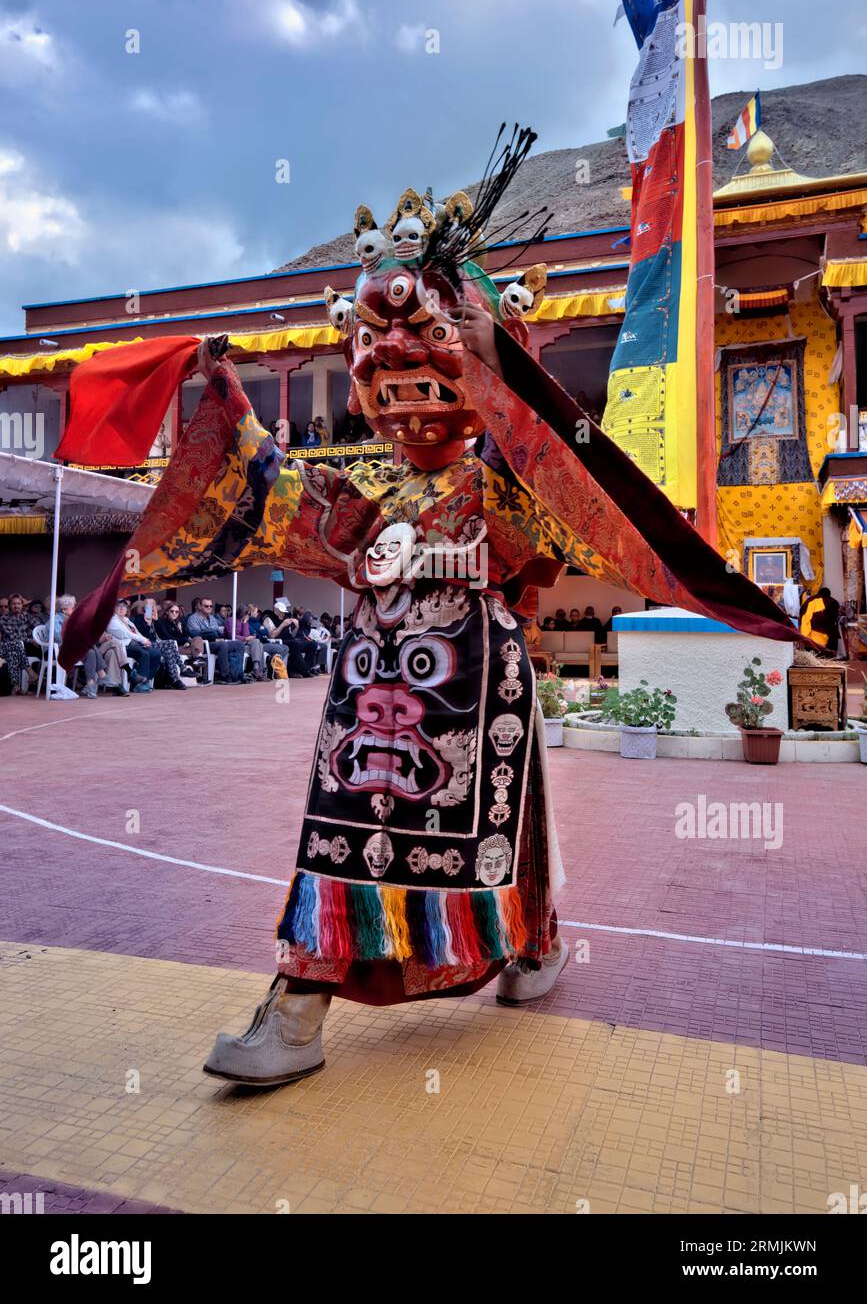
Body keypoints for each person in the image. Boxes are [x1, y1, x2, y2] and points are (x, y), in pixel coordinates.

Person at [59, 147, 802, 1089]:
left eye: (431, 368)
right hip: (369, 667)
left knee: (493, 817)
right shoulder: (367, 492)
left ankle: (526, 945)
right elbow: (265, 498)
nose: (402, 390)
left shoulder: (511, 475)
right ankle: (300, 1005)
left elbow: (572, 475)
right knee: (341, 816)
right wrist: (215, 395)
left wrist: (497, 375)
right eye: (383, 373)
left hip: (471, 667)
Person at [185, 597, 246, 683]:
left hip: (215, 642)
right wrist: (213, 635)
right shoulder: (193, 618)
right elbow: (196, 634)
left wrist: (216, 634)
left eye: (211, 606)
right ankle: (224, 676)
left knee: (239, 644)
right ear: (200, 606)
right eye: (206, 606)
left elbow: (217, 632)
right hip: (202, 645)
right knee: (222, 645)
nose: (209, 608)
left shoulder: (212, 618)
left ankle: (237, 674)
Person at [105, 600, 162, 691]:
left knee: (156, 653)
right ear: (114, 608)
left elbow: (137, 632)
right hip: (122, 647)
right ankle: (139, 684)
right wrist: (143, 640)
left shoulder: (127, 621)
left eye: (124, 607)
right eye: (119, 606)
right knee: (143, 653)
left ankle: (146, 680)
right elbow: (124, 634)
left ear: (127, 609)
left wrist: (145, 640)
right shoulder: (112, 620)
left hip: (135, 644)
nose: (122, 608)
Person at [133, 597, 185, 689]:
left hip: (154, 644)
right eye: (148, 608)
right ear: (143, 608)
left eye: (153, 608)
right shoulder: (139, 619)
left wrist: (155, 620)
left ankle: (175, 680)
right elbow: (144, 636)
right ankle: (182, 668)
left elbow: (160, 635)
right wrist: (148, 623)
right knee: (171, 643)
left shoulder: (155, 620)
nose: (151, 610)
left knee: (169, 651)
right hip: (143, 645)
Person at [0, 593, 40, 694]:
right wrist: (30, 640)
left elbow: (38, 627)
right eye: (13, 604)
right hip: (9, 646)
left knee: (14, 651)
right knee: (16, 645)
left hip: (26, 647)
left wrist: (34, 637)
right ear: (9, 606)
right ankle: (30, 672)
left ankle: (16, 686)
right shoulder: (4, 619)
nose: (16, 606)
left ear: (22, 605)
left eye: (18, 603)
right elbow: (14, 637)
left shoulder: (27, 616)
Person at [801, 586, 840, 653]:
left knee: (812, 656)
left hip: (810, 633)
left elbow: (803, 615)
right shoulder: (833, 602)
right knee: (827, 656)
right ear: (829, 594)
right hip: (827, 633)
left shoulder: (809, 601)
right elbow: (834, 618)